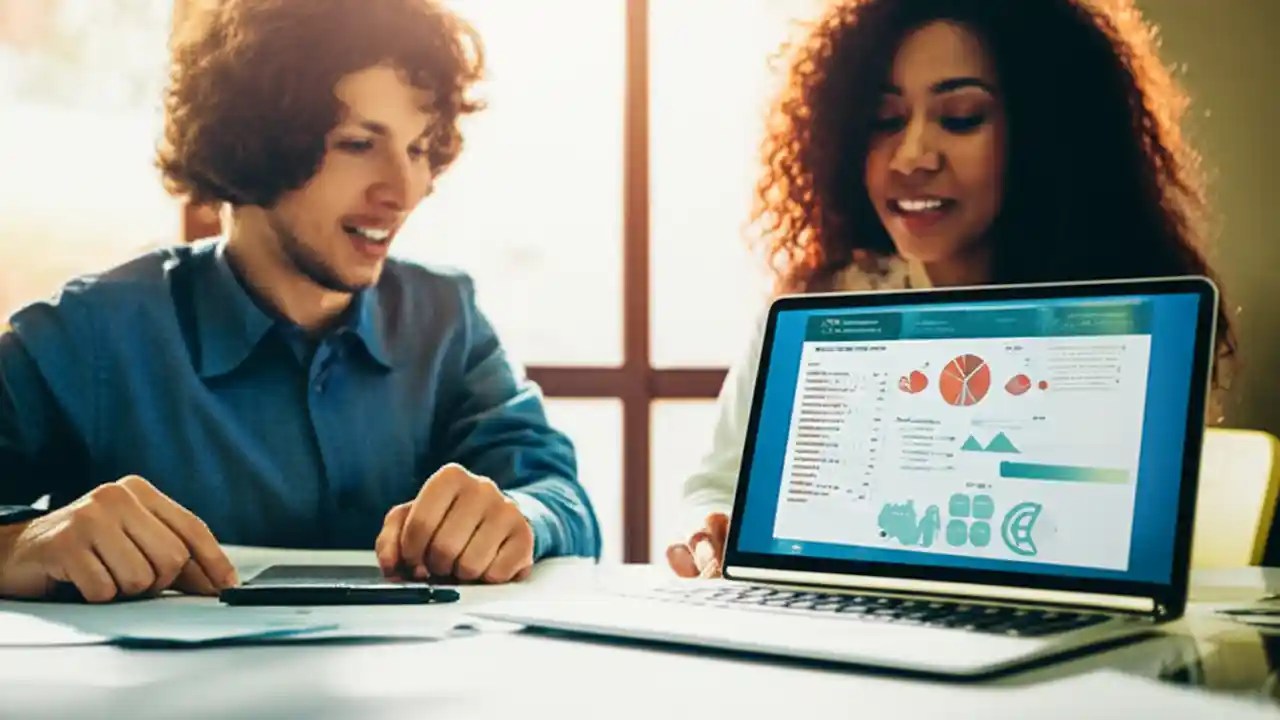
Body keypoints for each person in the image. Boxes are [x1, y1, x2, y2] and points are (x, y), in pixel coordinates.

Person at [0, 0, 600, 603]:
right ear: (253, 141)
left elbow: (560, 498)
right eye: (358, 143)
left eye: (419, 149)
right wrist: (17, 543)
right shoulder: (87, 338)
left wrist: (519, 518)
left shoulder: (447, 320)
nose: (403, 190)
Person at [666, 0, 1237, 578]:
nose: (912, 156)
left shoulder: (1128, 324)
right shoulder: (818, 306)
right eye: (885, 120)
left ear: (1045, 133)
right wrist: (712, 529)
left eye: (961, 118)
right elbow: (714, 487)